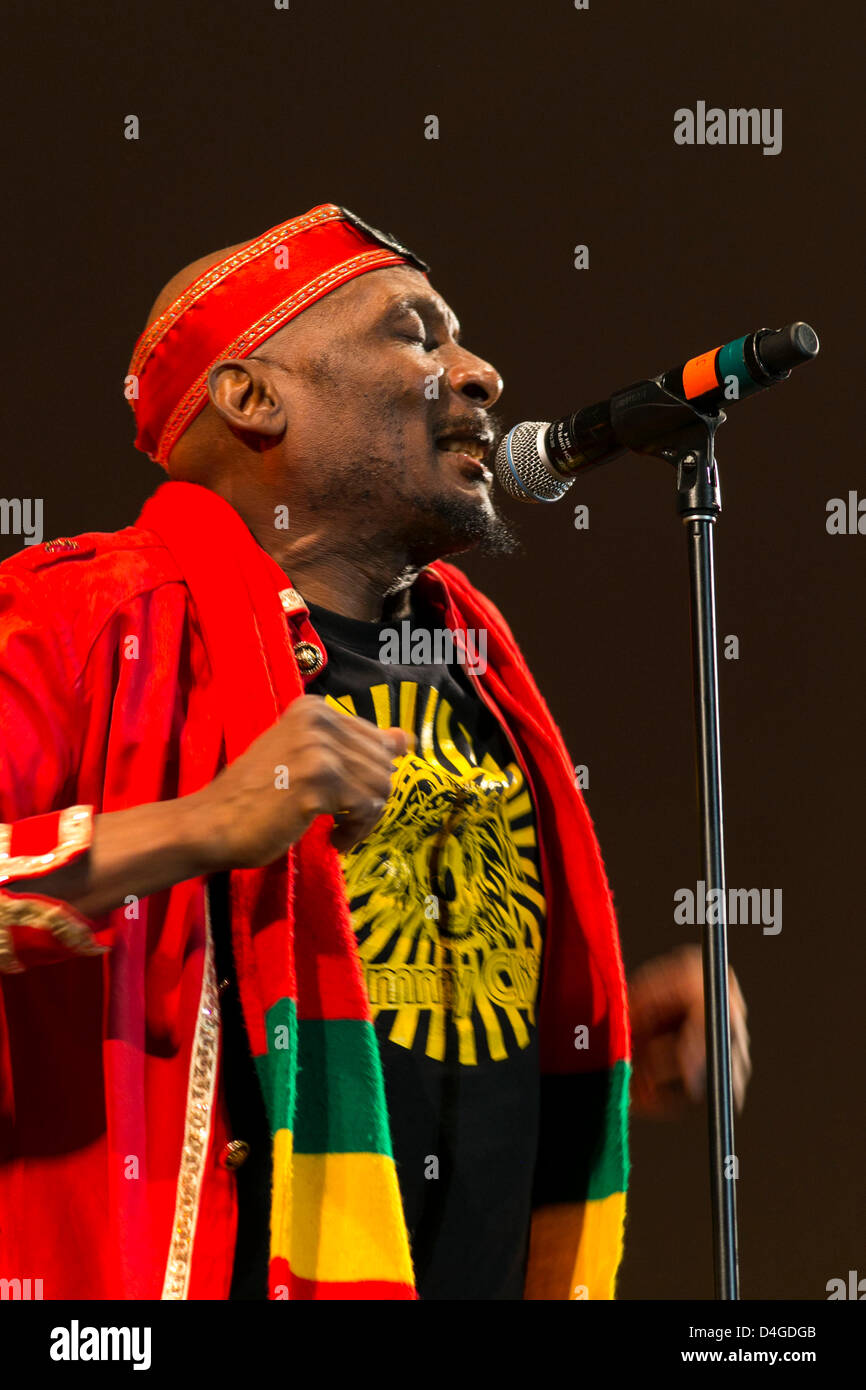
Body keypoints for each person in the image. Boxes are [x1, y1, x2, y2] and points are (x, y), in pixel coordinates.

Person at [0, 204, 750, 1301]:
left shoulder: (478, 667)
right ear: (251, 394)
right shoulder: (76, 620)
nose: (481, 372)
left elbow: (358, 1019)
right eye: (414, 332)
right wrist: (205, 822)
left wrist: (595, 1037)